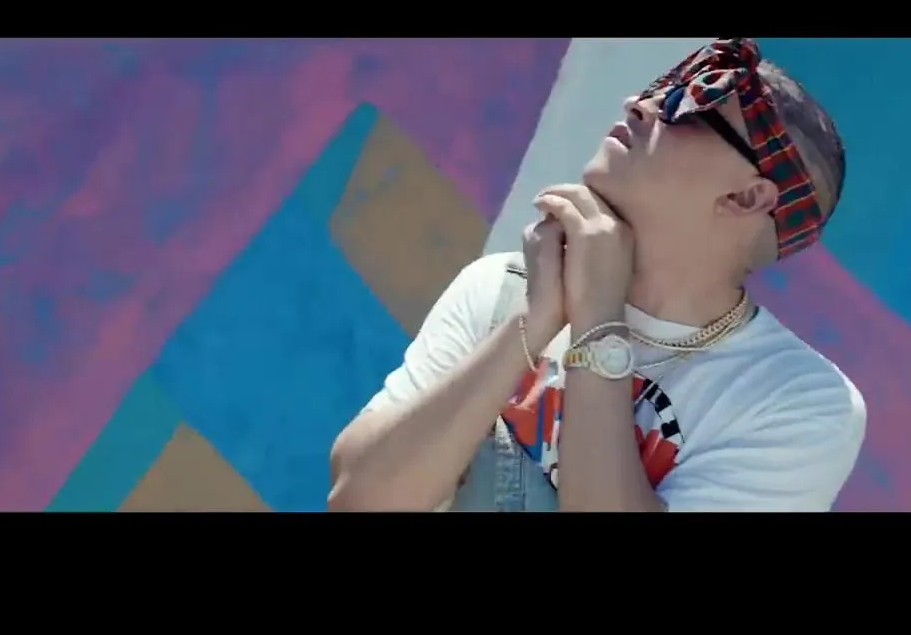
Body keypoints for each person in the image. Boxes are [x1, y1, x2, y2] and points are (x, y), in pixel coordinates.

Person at [327, 38, 866, 512]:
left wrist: (599, 324)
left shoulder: (793, 398)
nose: (640, 105)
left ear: (746, 197)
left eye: (685, 108)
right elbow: (360, 499)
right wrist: (530, 323)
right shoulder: (503, 288)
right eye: (660, 88)